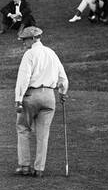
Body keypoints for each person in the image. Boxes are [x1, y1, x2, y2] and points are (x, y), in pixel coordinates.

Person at [13, 26, 69, 177]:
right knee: (43, 134)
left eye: (24, 39)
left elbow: (23, 78)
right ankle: (39, 169)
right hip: (49, 97)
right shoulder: (51, 53)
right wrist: (63, 92)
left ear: (32, 39)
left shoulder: (29, 54)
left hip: (31, 96)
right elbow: (62, 76)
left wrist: (18, 99)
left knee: (23, 128)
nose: (23, 42)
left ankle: (25, 166)